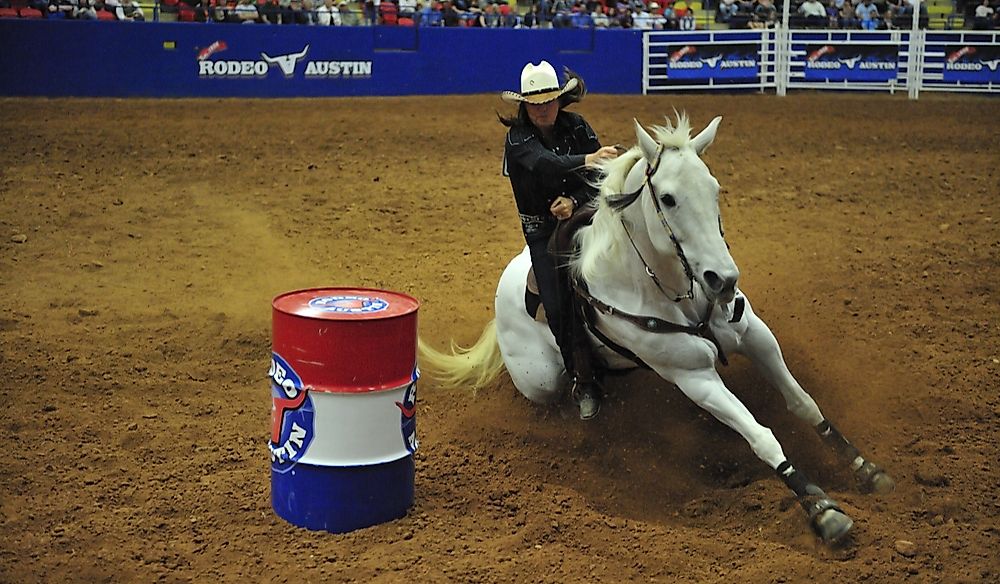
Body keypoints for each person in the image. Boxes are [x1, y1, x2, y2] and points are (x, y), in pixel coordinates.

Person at [498, 61, 619, 420]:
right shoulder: (518, 139)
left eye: (549, 100)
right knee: (556, 299)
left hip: (584, 212)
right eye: (535, 103)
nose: (543, 108)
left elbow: (600, 177)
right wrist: (588, 158)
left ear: (560, 100)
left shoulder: (577, 126)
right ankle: (583, 380)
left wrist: (575, 201)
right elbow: (545, 163)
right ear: (525, 106)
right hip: (542, 230)